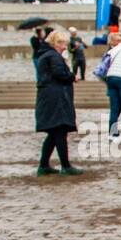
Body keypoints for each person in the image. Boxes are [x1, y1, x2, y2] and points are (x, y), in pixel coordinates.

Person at [34, 31, 83, 177]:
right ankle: (65, 166)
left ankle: (43, 166)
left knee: (54, 133)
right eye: (63, 44)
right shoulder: (53, 56)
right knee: (59, 131)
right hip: (55, 98)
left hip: (49, 98)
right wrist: (72, 76)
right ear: (56, 43)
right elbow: (59, 74)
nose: (64, 47)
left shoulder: (46, 55)